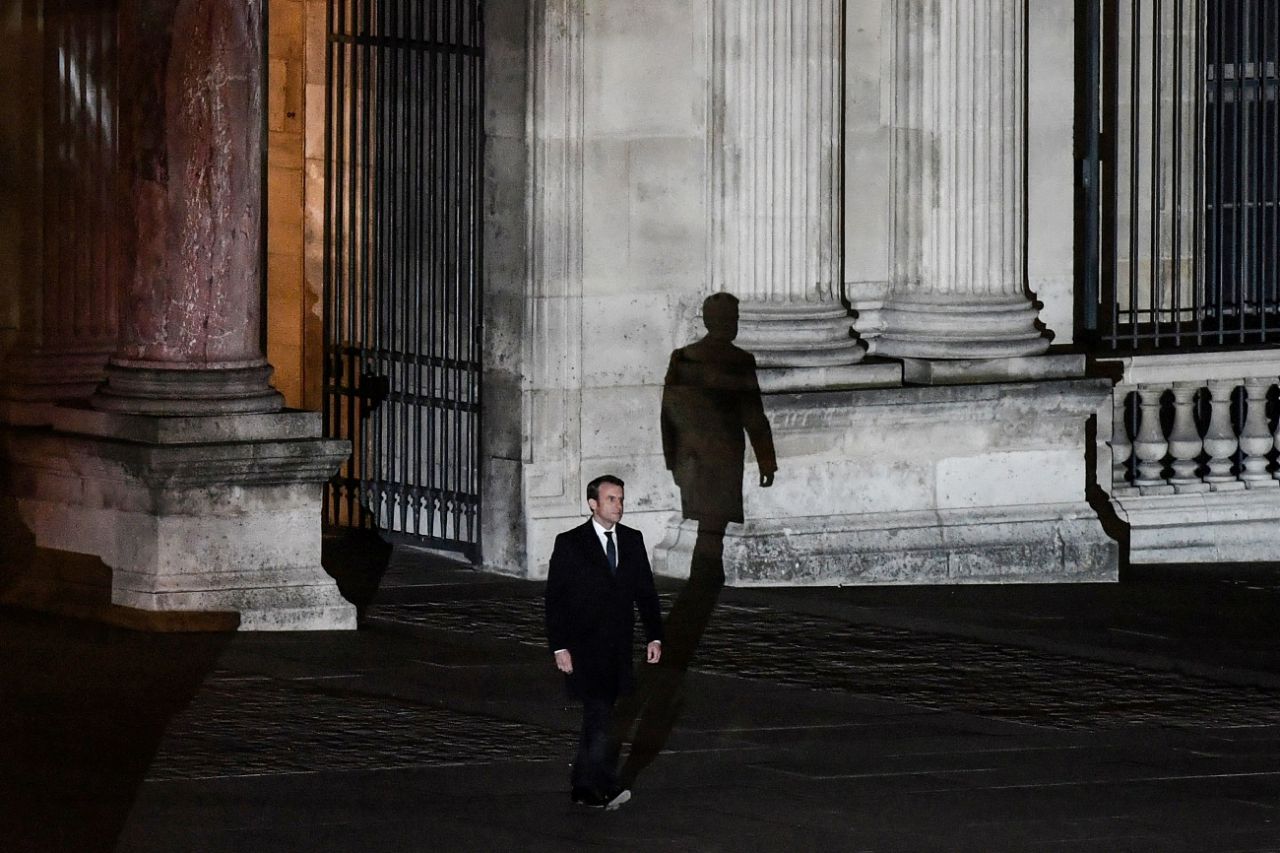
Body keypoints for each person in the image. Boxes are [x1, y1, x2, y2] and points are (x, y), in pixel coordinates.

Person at [544, 474, 663, 810]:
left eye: (621, 499)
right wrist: (559, 646)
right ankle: (599, 785)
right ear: (593, 504)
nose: (619, 506)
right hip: (584, 647)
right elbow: (556, 599)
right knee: (600, 715)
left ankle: (583, 783)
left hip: (618, 647)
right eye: (611, 499)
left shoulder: (631, 540)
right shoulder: (570, 543)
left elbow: (645, 592)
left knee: (599, 716)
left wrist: (654, 635)